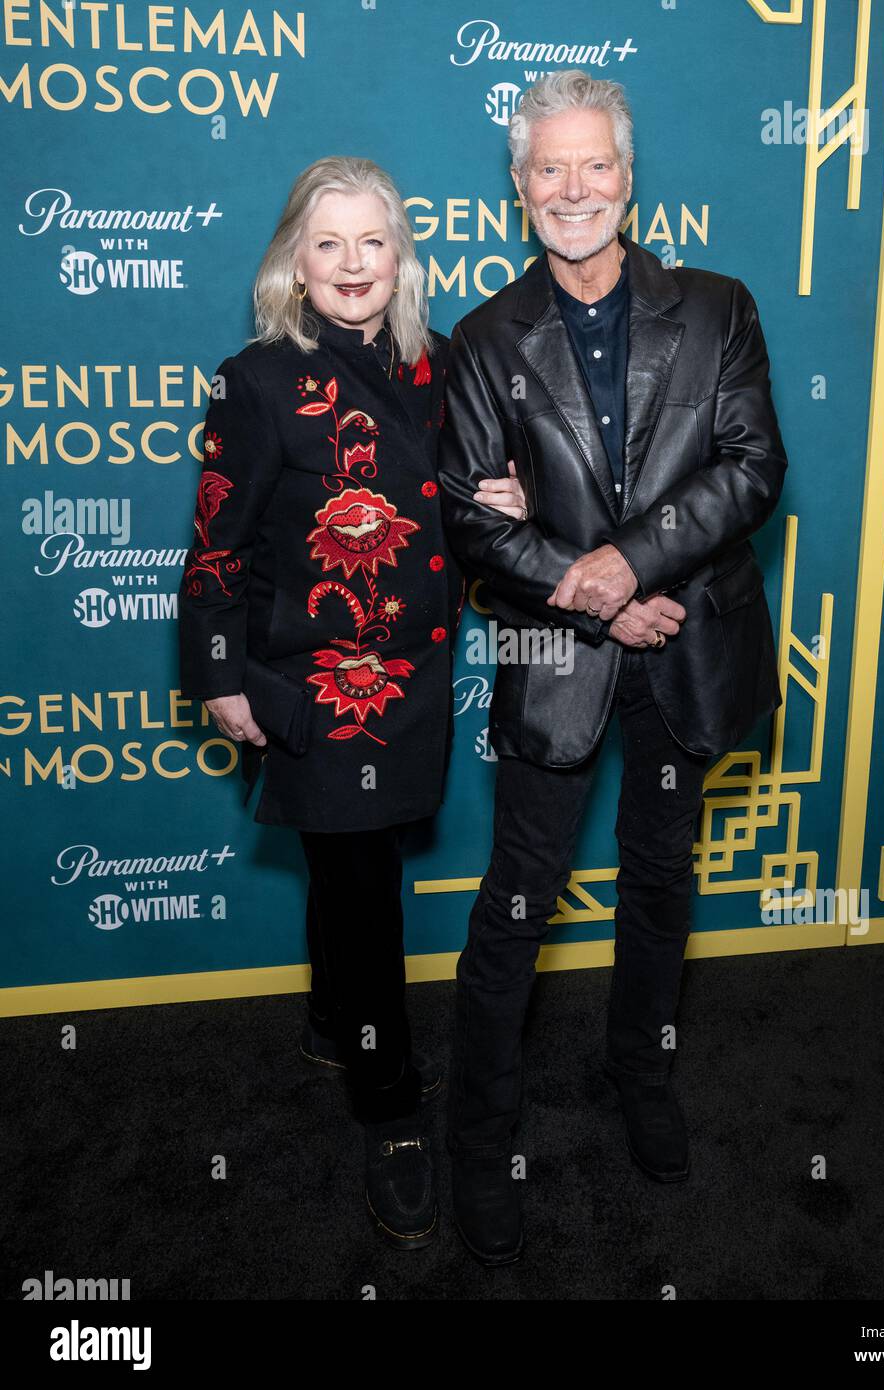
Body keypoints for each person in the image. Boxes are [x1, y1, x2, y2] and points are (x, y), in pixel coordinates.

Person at [437, 70, 788, 1266]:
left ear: (629, 181)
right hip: (553, 655)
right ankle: (476, 1137)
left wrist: (618, 572)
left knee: (659, 880)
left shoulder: (719, 308)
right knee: (516, 903)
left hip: (681, 644)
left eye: (595, 166)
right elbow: (471, 521)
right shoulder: (484, 339)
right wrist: (591, 596)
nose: (573, 188)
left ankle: (642, 1072)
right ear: (519, 186)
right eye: (549, 168)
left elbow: (749, 470)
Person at [176, 156, 526, 1251]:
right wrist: (222, 676)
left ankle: (335, 1019)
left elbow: (452, 491)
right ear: (295, 260)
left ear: (400, 256)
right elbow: (214, 548)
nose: (352, 263)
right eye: (328, 243)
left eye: (372, 241)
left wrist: (504, 493)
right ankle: (390, 1107)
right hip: (316, 685)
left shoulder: (437, 364)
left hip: (413, 677)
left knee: (352, 868)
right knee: (366, 887)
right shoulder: (257, 378)